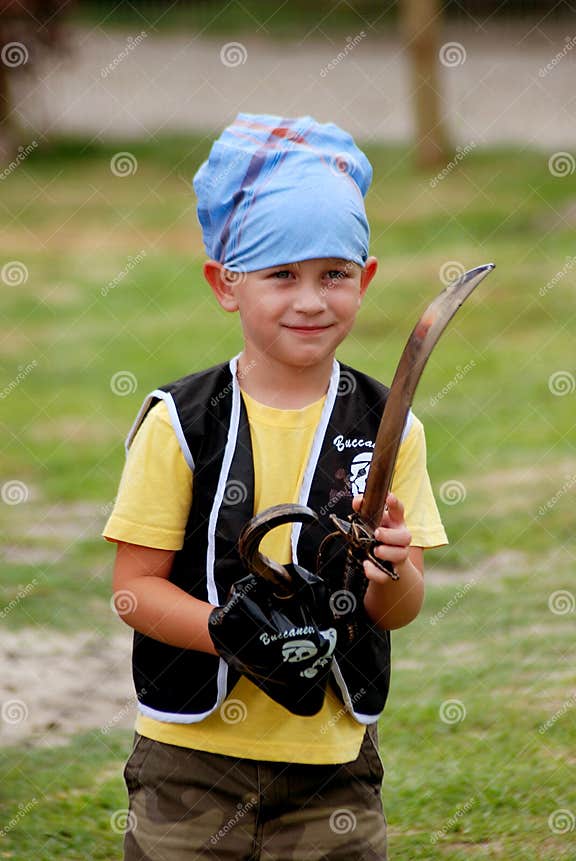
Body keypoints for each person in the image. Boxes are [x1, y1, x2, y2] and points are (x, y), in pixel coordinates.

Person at [102, 112, 448, 861]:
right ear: (225, 284)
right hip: (188, 763)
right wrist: (227, 630)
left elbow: (398, 609)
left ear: (367, 278)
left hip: (333, 770)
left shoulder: (391, 427)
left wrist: (392, 568)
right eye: (280, 274)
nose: (311, 300)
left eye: (334, 274)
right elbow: (132, 591)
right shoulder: (180, 423)